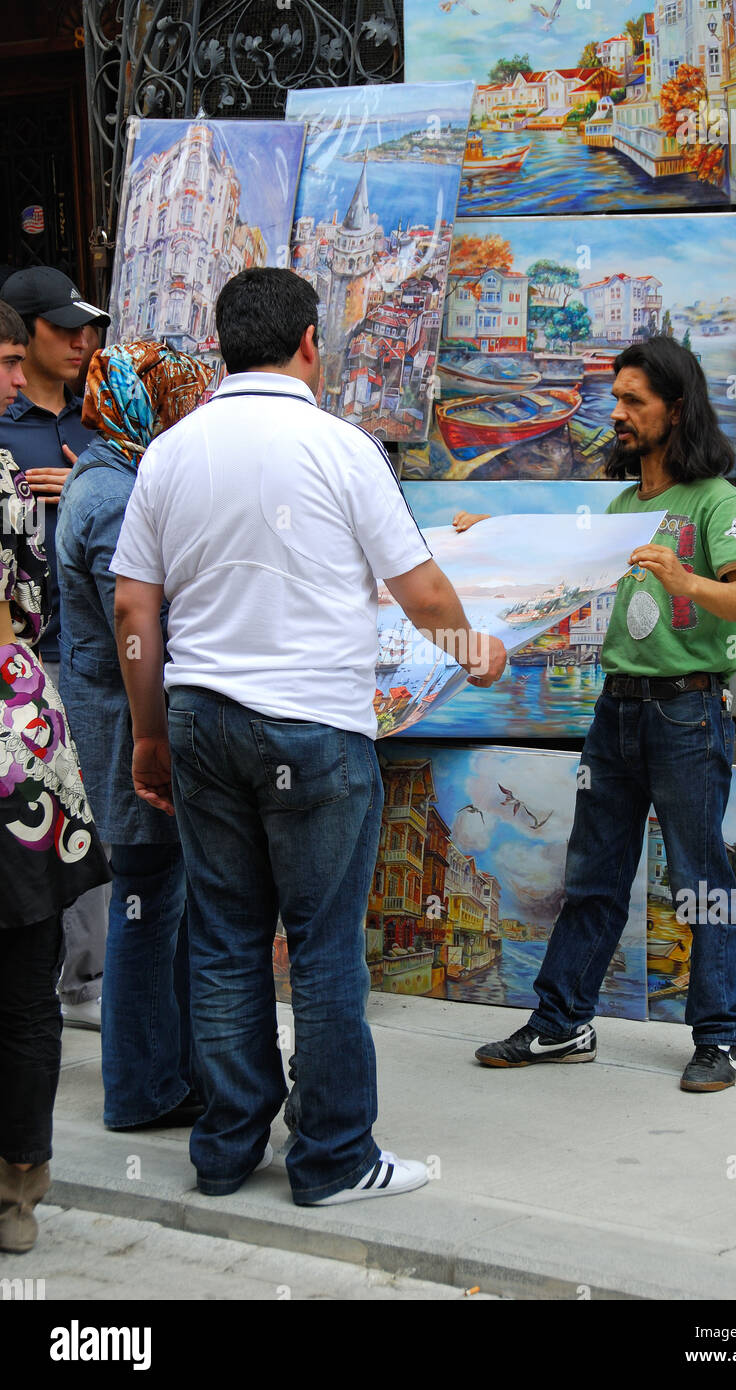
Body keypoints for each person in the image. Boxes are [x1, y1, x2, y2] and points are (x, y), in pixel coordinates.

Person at [109, 267, 506, 1206]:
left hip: (202, 719)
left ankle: (225, 1149)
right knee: (324, 948)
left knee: (225, 938)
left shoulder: (168, 454)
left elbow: (134, 604)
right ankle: (331, 1159)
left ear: (221, 347)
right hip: (314, 731)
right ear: (309, 345)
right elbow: (420, 589)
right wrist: (474, 650)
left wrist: (149, 735)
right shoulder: (341, 447)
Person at [475, 336, 736, 1092]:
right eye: (618, 398)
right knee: (594, 873)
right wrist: (490, 543)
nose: (619, 412)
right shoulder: (620, 506)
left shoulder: (715, 501)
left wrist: (686, 577)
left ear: (676, 409)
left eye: (635, 400)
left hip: (686, 714)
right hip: (617, 713)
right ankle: (561, 1023)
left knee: (699, 876)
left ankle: (722, 1036)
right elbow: (557, 582)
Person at [56, 342, 210, 1130]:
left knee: (156, 900)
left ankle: (167, 1073)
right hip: (127, 727)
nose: (189, 418)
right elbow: (133, 621)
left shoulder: (106, 474)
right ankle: (143, 1088)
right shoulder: (115, 495)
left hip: (121, 718)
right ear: (138, 403)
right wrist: (156, 732)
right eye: (176, 402)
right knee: (149, 901)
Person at [0, 300, 111, 1253]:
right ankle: (18, 1191)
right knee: (24, 974)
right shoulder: (8, 476)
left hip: (27, 727)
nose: (14, 383)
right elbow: (39, 597)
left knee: (29, 971)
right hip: (20, 729)